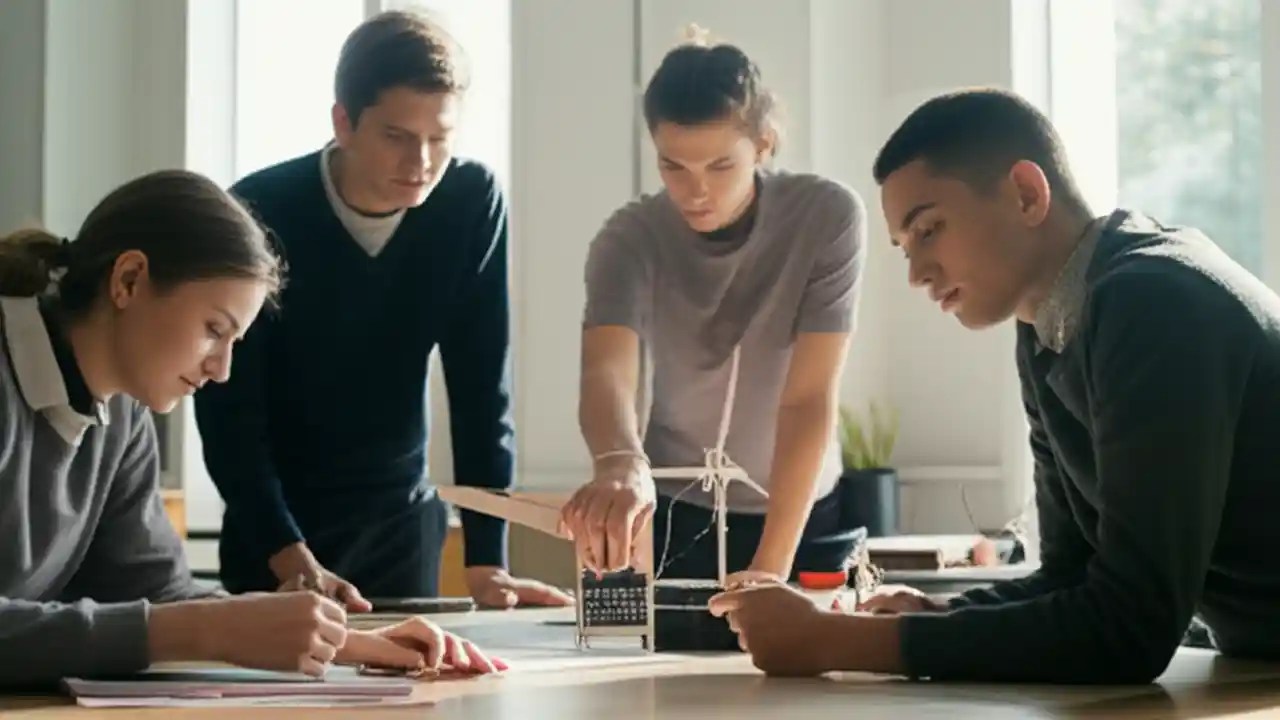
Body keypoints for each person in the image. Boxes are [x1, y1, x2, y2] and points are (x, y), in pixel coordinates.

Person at [708, 87, 1280, 683]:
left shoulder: (1153, 301)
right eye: (904, 248)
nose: (916, 274)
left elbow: (1131, 628)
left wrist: (838, 641)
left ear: (1027, 194)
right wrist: (940, 615)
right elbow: (1072, 576)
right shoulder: (1045, 327)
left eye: (928, 230)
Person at [0, 170, 502, 688]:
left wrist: (349, 641)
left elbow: (157, 596)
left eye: (234, 341)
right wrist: (201, 630)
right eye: (214, 330)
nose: (222, 371)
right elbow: (174, 625)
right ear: (129, 280)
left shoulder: (123, 413)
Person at [193, 11, 571, 610]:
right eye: (397, 136)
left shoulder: (469, 204)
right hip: (275, 530)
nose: (421, 162)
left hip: (400, 523)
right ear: (344, 122)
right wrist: (285, 550)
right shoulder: (260, 210)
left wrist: (486, 563)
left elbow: (481, 391)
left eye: (439, 139)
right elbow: (227, 410)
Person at [560, 30, 867, 586]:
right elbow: (606, 370)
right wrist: (619, 462)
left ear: (764, 144)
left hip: (800, 509)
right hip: (679, 507)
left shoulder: (828, 217)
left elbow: (808, 399)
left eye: (720, 166)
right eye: (673, 166)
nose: (695, 191)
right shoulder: (627, 238)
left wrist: (770, 571)